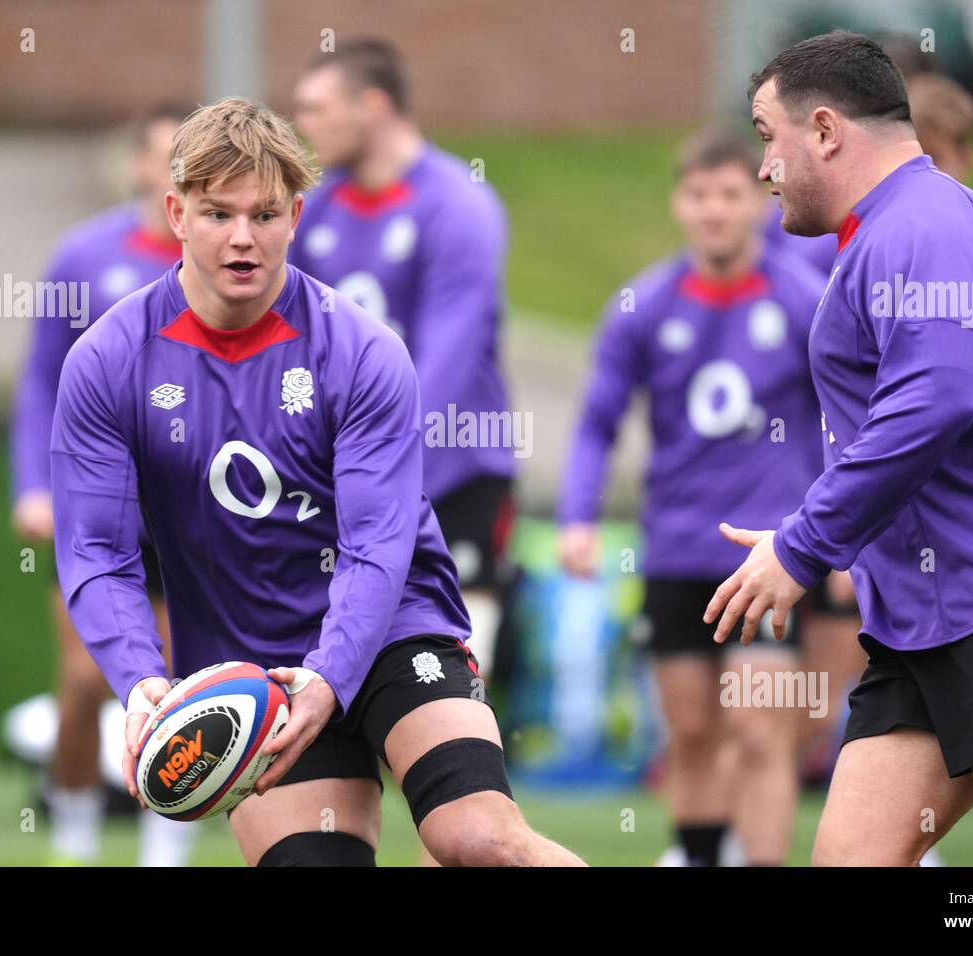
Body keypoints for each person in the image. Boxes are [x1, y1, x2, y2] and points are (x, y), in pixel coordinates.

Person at [51, 97, 585, 867]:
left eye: (265, 214)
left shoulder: (362, 351)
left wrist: (330, 677)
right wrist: (142, 683)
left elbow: (377, 542)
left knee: (478, 840)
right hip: (248, 659)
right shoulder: (108, 360)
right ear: (175, 211)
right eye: (217, 212)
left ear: (297, 215)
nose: (243, 237)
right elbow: (97, 549)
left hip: (392, 624)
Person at [708, 29, 973, 866]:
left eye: (767, 137)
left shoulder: (925, 223)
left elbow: (932, 405)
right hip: (925, 622)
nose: (763, 170)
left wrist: (804, 544)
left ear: (824, 130)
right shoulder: (883, 232)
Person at [558, 130, 826, 866]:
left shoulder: (803, 299)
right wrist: (578, 518)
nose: (714, 211)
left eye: (730, 195)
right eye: (699, 195)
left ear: (757, 202)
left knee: (761, 727)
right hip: (675, 550)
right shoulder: (644, 304)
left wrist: (841, 532)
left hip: (769, 556)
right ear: (681, 202)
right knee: (693, 731)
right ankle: (699, 854)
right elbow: (596, 423)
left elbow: (847, 418)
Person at [290, 38, 515, 679]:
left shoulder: (457, 203)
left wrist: (371, 451)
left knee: (458, 672)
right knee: (341, 669)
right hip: (340, 474)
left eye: (317, 108)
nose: (305, 126)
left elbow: (447, 358)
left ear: (374, 105)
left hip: (455, 471)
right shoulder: (315, 211)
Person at [10, 104, 196, 867]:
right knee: (87, 680)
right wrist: (33, 484)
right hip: (95, 503)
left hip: (188, 511)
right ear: (140, 166)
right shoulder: (85, 255)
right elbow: (40, 381)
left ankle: (164, 855)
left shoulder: (225, 260)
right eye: (167, 157)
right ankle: (76, 845)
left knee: (179, 688)